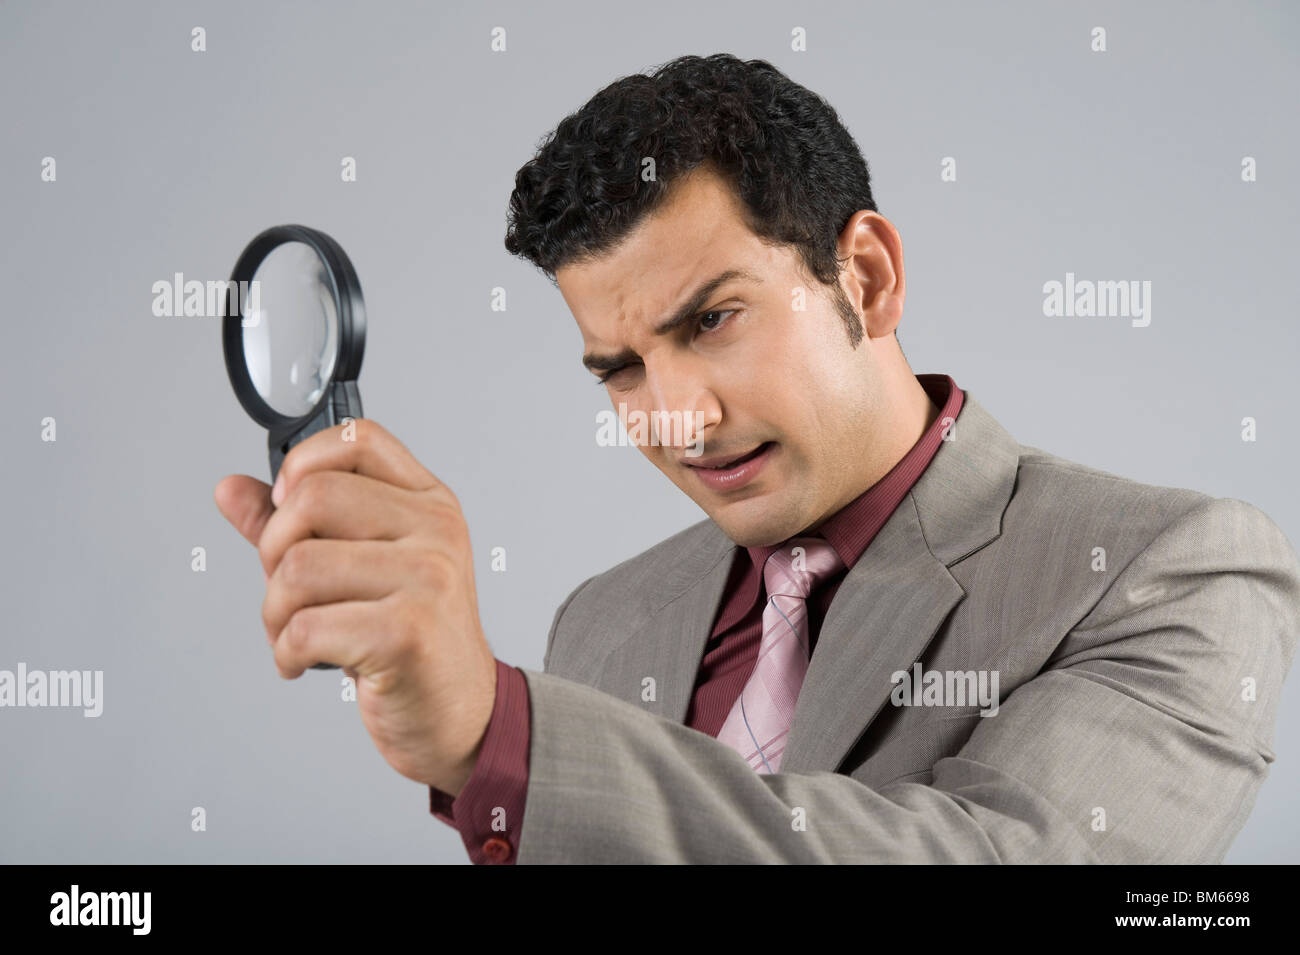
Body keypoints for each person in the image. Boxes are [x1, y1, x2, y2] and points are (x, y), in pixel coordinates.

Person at [215, 53, 1300, 864]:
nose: (677, 418)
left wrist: (498, 735)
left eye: (713, 320)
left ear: (865, 277)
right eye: (620, 369)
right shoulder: (602, 621)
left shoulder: (1173, 568)